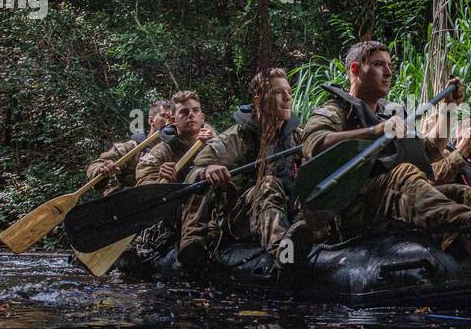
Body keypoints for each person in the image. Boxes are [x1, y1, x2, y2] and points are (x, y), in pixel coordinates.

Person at [301, 40, 471, 266]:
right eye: (379, 65)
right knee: (404, 173)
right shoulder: (335, 110)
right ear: (356, 70)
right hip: (353, 206)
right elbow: (314, 143)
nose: (389, 72)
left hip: (390, 200)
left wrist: (449, 108)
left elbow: (430, 151)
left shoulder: (390, 113)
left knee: (460, 192)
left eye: (390, 65)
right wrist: (374, 131)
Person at [191, 67, 309, 264]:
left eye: (289, 92)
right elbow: (195, 171)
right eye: (278, 93)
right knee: (268, 183)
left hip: (287, 209)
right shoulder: (238, 137)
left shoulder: (297, 136)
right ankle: (283, 250)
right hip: (240, 218)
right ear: (258, 101)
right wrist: (207, 170)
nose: (287, 98)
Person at [134, 90, 228, 266]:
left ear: (202, 116)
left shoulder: (219, 142)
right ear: (173, 120)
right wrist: (164, 180)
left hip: (216, 207)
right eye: (184, 112)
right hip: (176, 214)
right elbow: (143, 190)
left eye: (195, 111)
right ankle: (191, 246)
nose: (191, 115)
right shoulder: (161, 151)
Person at [85, 98, 173, 193]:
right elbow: (96, 165)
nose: (170, 122)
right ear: (151, 121)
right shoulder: (132, 148)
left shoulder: (176, 147)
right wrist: (101, 169)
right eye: (165, 116)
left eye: (173, 118)